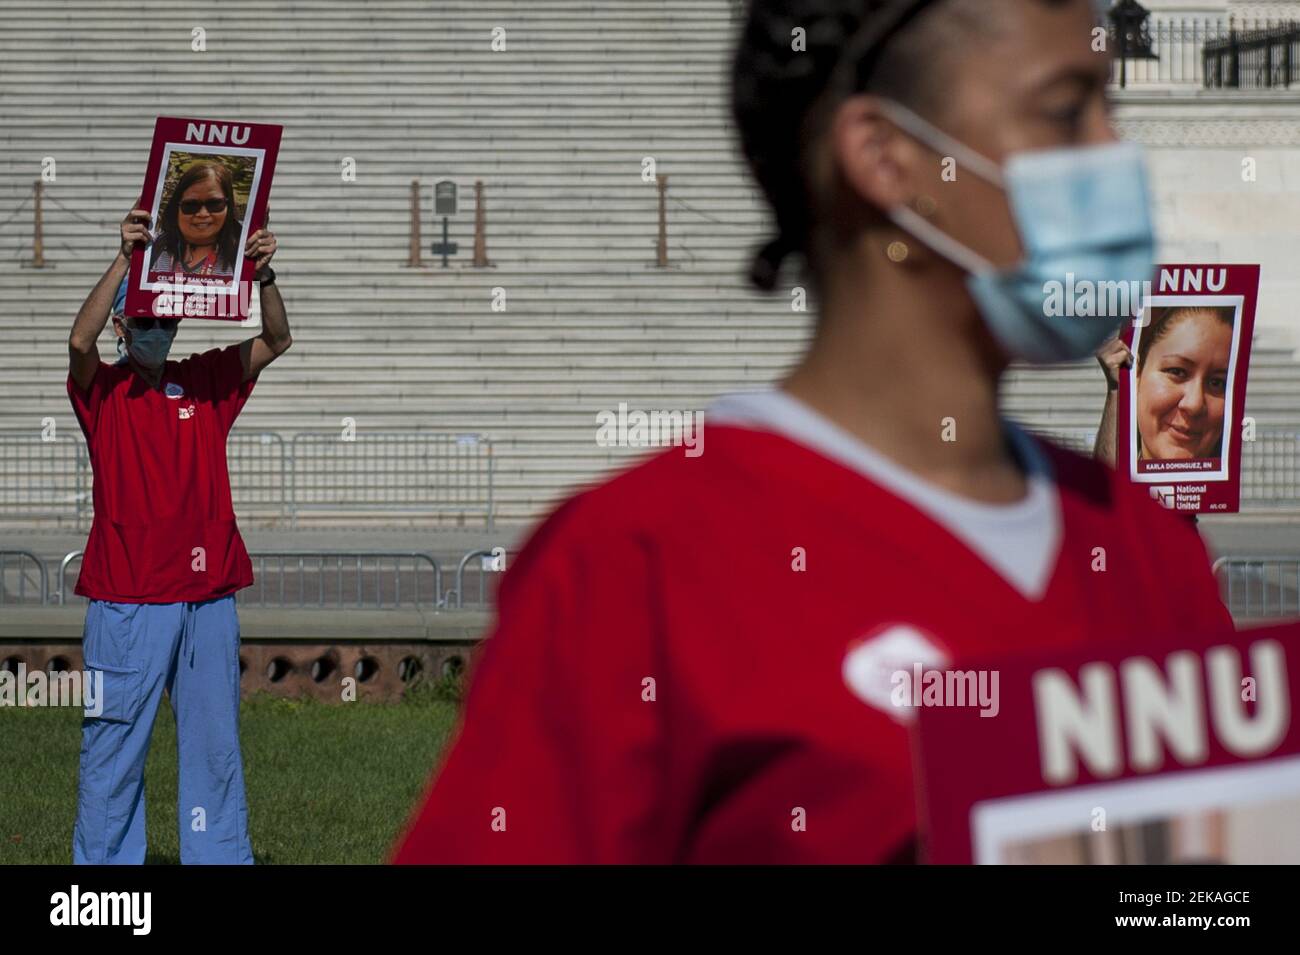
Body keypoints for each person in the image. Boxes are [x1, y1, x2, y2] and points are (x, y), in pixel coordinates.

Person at [392, 0, 1234, 865]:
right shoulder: (633, 567)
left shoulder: (1149, 553)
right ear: (884, 156)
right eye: (1065, 110)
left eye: (1111, 110)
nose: (1114, 156)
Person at [66, 205, 291, 864]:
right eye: (144, 321)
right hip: (127, 599)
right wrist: (123, 257)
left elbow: (276, 339)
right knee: (113, 750)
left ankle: (220, 856)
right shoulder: (102, 391)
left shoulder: (208, 378)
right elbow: (77, 343)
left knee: (215, 751)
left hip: (207, 599)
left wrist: (264, 273)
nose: (157, 331)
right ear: (121, 325)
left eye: (165, 320)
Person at [150, 161, 243, 276]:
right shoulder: (153, 247)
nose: (202, 213)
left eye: (214, 204)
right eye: (191, 205)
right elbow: (131, 292)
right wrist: (124, 258)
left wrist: (263, 274)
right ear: (176, 208)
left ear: (228, 207)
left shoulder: (243, 255)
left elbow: (246, 294)